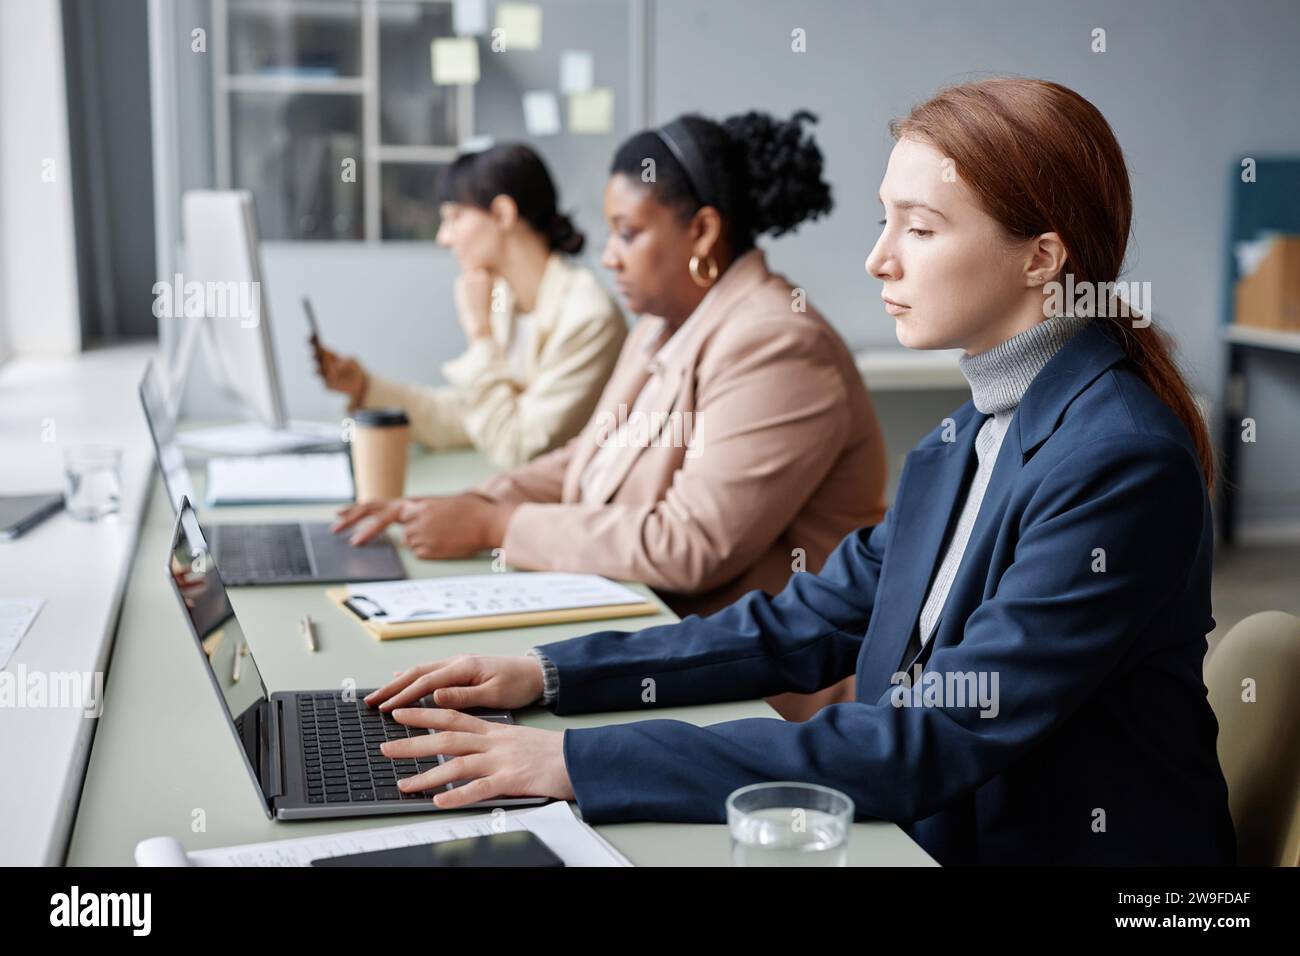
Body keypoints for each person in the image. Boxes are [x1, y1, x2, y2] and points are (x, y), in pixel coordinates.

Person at [351, 79, 1237, 867]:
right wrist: (549, 675)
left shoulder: (1118, 461)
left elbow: (936, 736)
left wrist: (579, 762)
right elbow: (802, 622)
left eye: (918, 228)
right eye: (884, 220)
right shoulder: (967, 433)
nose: (878, 257)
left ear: (1041, 258)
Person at [335, 111, 889, 723]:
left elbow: (691, 545)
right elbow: (587, 455)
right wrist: (470, 503)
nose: (609, 257)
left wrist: (496, 527)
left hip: (770, 698)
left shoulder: (779, 343)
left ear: (703, 231)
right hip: (660, 641)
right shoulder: (661, 323)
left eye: (628, 233)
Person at [315, 143, 626, 469]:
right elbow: (470, 416)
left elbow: (516, 447)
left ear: (503, 214)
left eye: (455, 218)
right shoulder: (506, 300)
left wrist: (480, 334)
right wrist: (366, 388)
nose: (443, 238)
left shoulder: (589, 318)